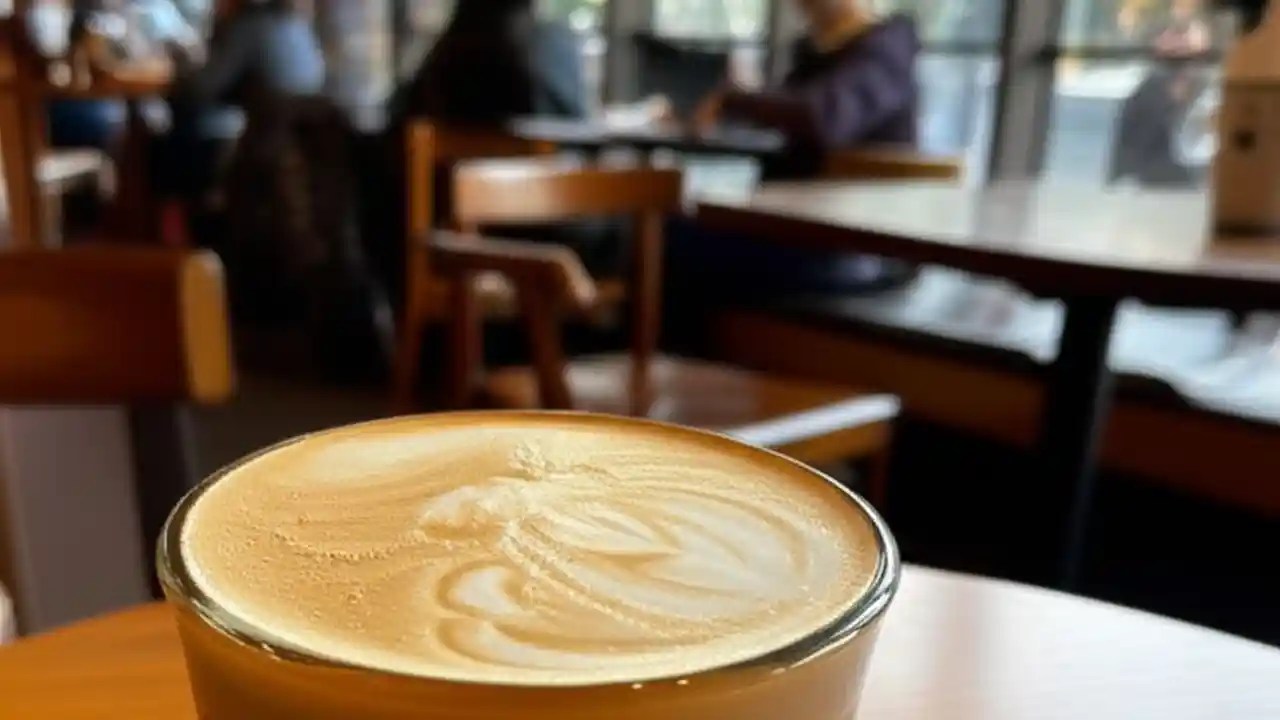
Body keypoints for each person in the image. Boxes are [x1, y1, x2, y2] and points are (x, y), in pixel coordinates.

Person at [694, 0, 920, 177]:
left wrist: (733, 101)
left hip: (850, 220)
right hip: (789, 207)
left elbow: (825, 118)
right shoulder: (810, 53)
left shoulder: (887, 49)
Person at [161, 0, 325, 211]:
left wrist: (181, 65)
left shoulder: (250, 26)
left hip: (252, 152)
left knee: (171, 138)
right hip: (294, 151)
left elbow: (201, 88)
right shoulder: (299, 27)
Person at [390, 0, 588, 127]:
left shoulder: (443, 60)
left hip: (444, 190)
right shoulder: (550, 45)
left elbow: (396, 116)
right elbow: (580, 129)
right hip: (543, 190)